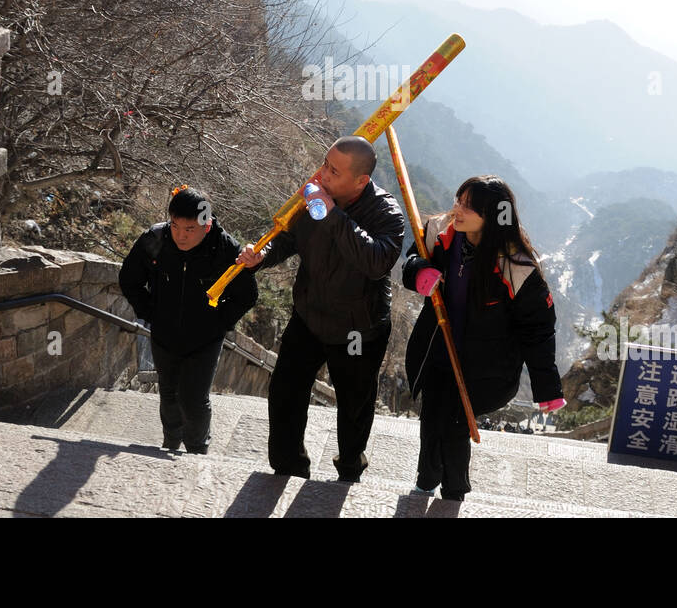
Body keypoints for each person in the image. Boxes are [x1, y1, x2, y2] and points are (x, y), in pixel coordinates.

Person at [236, 136, 405, 482]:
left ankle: (349, 467)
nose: (323, 174)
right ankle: (288, 467)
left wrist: (331, 213)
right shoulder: (312, 193)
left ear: (360, 181)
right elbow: (287, 239)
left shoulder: (386, 213)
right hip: (310, 315)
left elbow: (375, 262)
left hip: (359, 326)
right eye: (325, 164)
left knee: (354, 403)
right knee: (285, 391)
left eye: (334, 171)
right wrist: (260, 257)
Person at [402, 175, 565, 501]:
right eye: (458, 200)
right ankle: (428, 481)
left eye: (469, 207)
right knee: (432, 416)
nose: (457, 210)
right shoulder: (439, 233)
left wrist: (546, 386)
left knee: (454, 418)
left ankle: (452, 490)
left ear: (491, 217)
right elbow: (411, 261)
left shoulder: (516, 267)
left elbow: (537, 328)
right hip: (438, 348)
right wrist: (419, 270)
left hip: (488, 366)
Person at [118, 185, 258, 453]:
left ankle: (197, 448)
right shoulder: (156, 240)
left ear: (206, 226)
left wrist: (218, 323)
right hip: (164, 334)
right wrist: (149, 312)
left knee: (193, 399)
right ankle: (171, 441)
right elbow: (129, 278)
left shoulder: (224, 249)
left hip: (205, 339)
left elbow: (247, 295)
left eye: (189, 229)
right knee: (169, 395)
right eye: (175, 225)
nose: (180, 235)